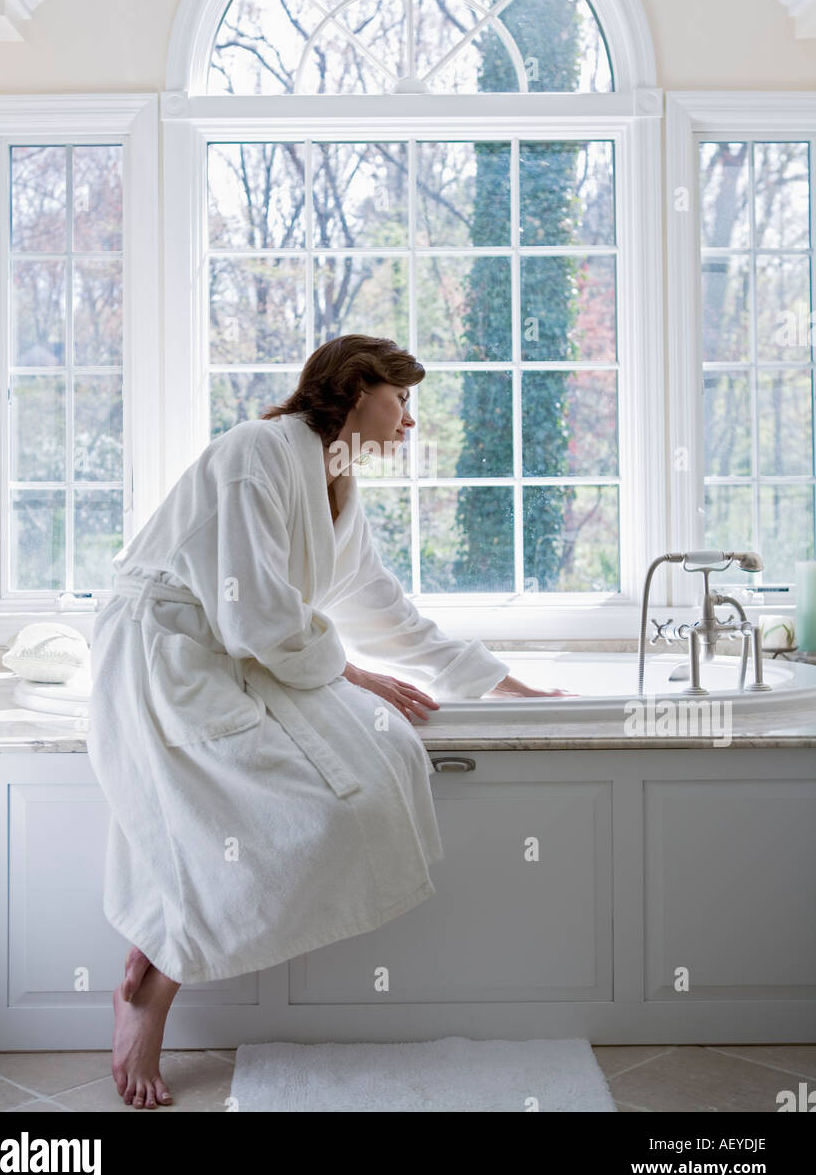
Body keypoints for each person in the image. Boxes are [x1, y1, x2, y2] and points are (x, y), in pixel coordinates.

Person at [87, 334, 569, 1110]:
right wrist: (347, 669)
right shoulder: (257, 453)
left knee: (368, 784)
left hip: (243, 656)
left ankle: (159, 946)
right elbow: (251, 615)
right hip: (167, 657)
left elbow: (388, 613)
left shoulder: (340, 483)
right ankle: (150, 992)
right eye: (401, 398)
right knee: (293, 814)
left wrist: (506, 686)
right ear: (354, 390)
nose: (410, 419)